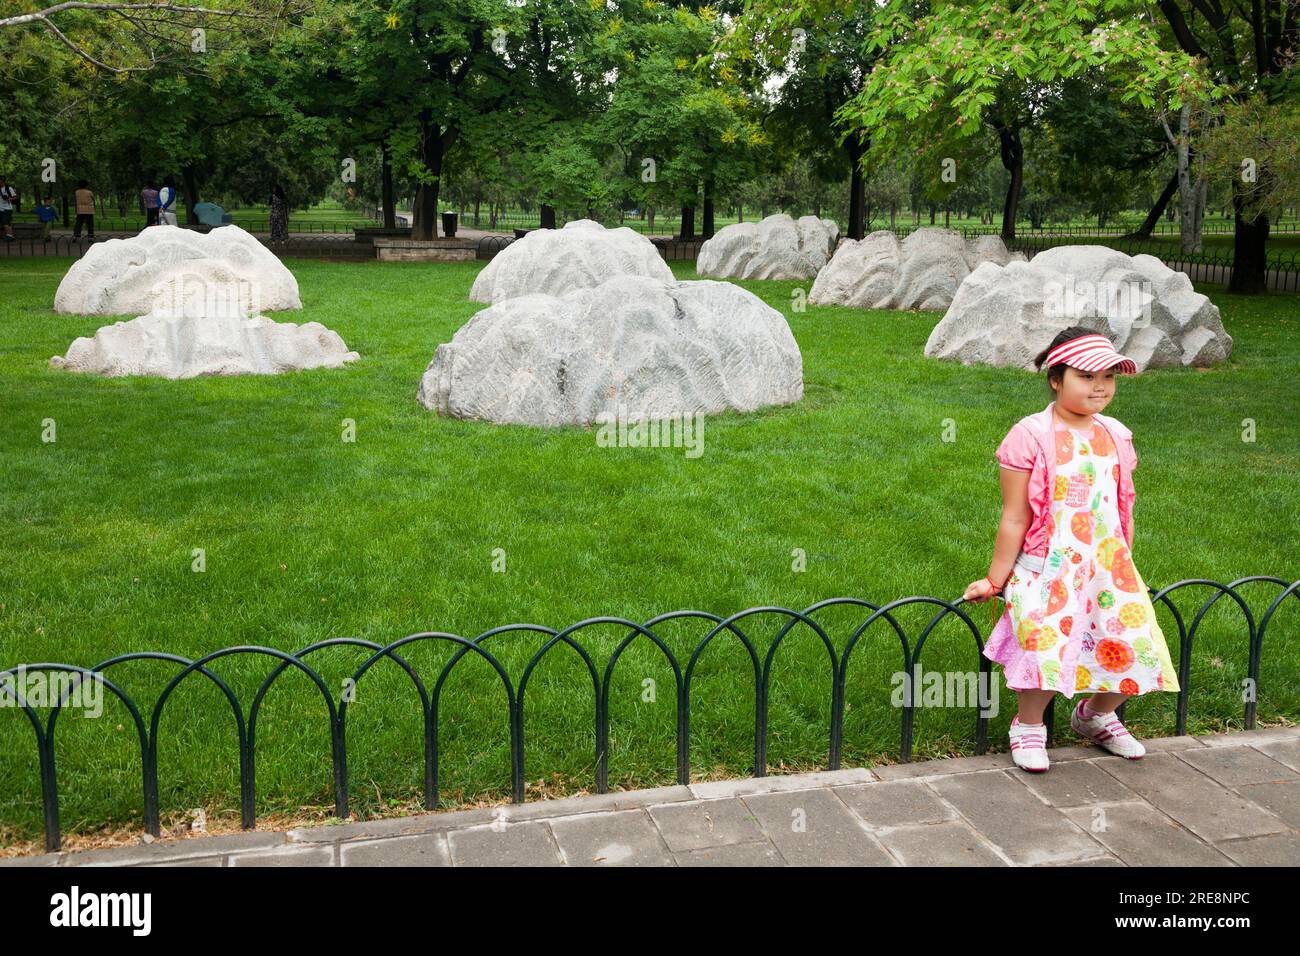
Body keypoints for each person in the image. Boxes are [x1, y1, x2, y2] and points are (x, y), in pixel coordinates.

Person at [964, 328, 1180, 773]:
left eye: (1108, 376)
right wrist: (995, 579)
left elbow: (1125, 507)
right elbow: (1015, 516)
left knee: (1135, 645)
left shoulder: (1116, 434)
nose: (1100, 386)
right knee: (1045, 648)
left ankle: (1095, 716)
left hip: (1107, 565)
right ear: (1056, 379)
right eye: (1086, 375)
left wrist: (1126, 565)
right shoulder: (1031, 435)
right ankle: (1028, 727)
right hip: (1050, 566)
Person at [0, 176, 17, 241]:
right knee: (7, 223)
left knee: (5, 222)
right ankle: (10, 236)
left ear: (2, 181)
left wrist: (8, 198)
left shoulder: (8, 188)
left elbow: (15, 197)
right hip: (0, 208)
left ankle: (9, 236)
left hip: (7, 208)